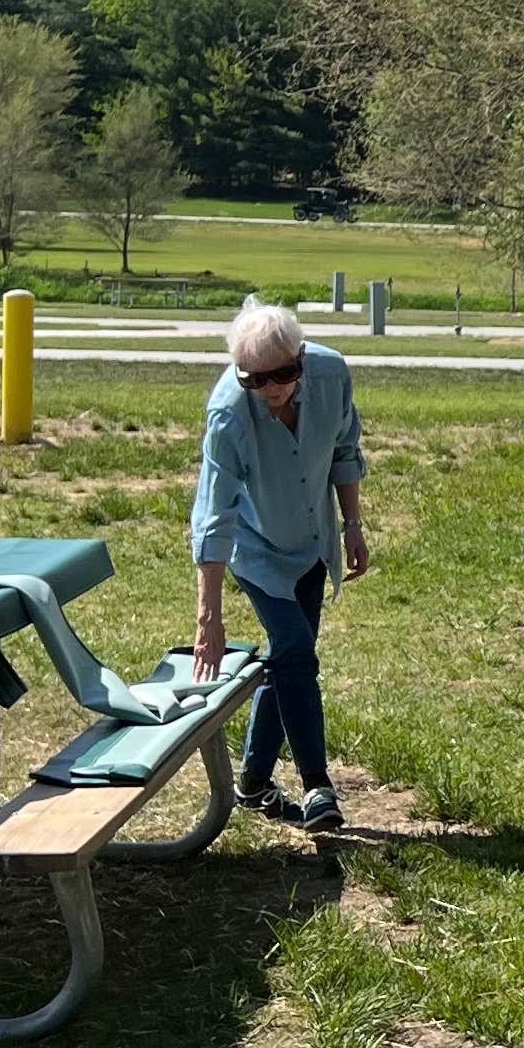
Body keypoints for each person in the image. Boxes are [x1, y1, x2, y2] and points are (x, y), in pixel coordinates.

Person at [191, 296, 369, 830]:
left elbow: (345, 451)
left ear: (302, 358)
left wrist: (352, 525)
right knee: (295, 654)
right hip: (257, 549)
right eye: (255, 379)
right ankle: (318, 786)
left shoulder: (332, 374)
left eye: (283, 374)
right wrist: (209, 615)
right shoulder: (228, 412)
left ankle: (254, 783)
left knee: (287, 657)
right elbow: (214, 514)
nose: (271, 389)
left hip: (312, 541)